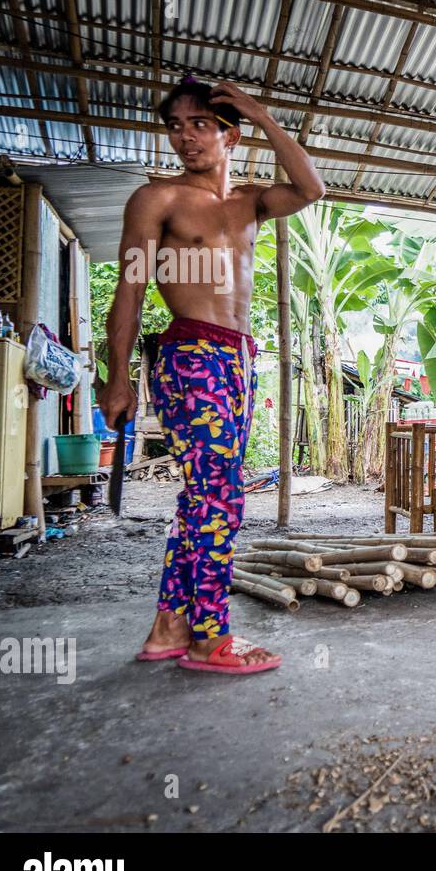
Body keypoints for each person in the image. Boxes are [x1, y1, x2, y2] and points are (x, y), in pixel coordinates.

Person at [98, 77, 324, 674]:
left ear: (230, 133)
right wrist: (115, 377)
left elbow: (311, 187)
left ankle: (169, 629)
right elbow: (129, 288)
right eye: (176, 126)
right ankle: (210, 639)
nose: (184, 138)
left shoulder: (250, 201)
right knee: (218, 499)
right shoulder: (158, 199)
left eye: (199, 124)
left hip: (239, 359)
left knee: (202, 498)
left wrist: (260, 110)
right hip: (190, 354)